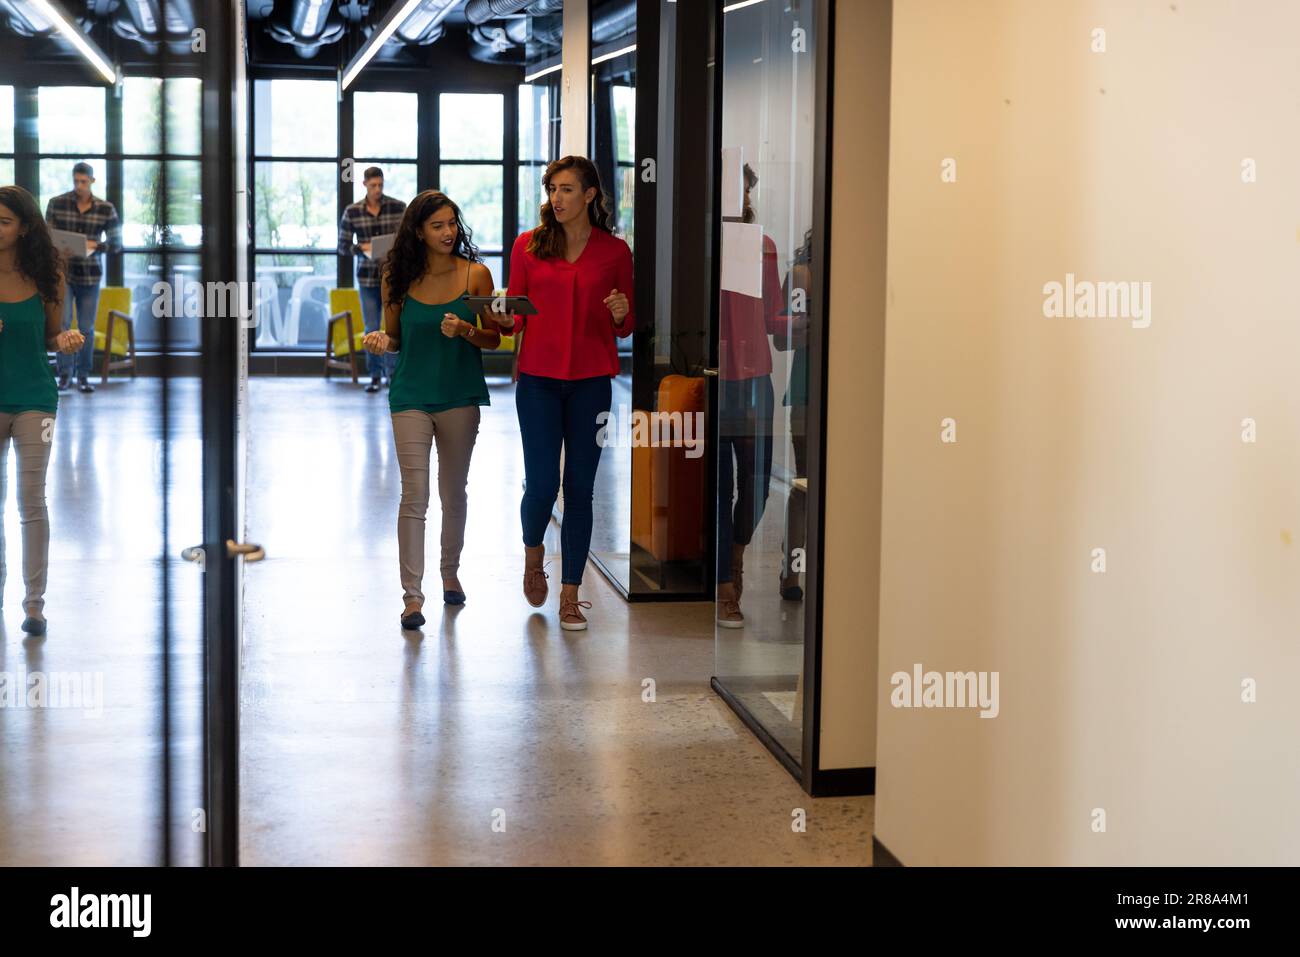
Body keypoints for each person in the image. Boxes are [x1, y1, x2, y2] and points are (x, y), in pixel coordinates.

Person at [494, 155, 633, 632]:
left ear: (590, 194)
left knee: (580, 489)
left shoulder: (615, 252)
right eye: (552, 188)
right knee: (541, 486)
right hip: (538, 381)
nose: (556, 197)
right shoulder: (527, 246)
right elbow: (514, 314)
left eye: (567, 189)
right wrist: (496, 315)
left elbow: (627, 324)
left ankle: (571, 595)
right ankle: (534, 555)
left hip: (592, 382)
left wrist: (619, 312)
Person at [362, 190, 501, 631]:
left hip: (460, 396)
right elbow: (396, 337)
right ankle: (412, 598)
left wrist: (465, 330)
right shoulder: (396, 276)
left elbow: (495, 339)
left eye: (452, 223)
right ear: (418, 231)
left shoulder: (477, 275)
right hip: (410, 396)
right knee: (413, 495)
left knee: (453, 492)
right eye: (437, 225)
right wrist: (382, 341)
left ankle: (450, 572)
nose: (447, 232)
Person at [0, 185, 87, 635]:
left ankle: (34, 605)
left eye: (4, 222)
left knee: (31, 502)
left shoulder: (45, 271)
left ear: (26, 227)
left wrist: (65, 341)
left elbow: (52, 335)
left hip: (35, 397)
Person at [715, 164, 791, 628]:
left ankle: (736, 557)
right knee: (720, 488)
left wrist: (814, 316)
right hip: (714, 379)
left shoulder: (762, 245)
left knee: (758, 484)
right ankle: (726, 584)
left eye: (745, 188)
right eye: (733, 187)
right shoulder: (703, 245)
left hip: (754, 379)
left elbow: (773, 317)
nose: (742, 195)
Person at [43, 162, 120, 394]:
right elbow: (46, 237)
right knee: (62, 325)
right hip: (63, 274)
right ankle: (65, 376)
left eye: (83, 182)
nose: (79, 186)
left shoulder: (106, 208)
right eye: (76, 181)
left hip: (90, 276)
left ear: (92, 181)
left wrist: (96, 245)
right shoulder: (57, 203)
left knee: (86, 327)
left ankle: (84, 376)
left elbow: (116, 243)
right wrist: (59, 247)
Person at [340, 166, 406, 393]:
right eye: (373, 186)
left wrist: (387, 245)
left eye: (380, 185)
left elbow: (408, 238)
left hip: (394, 276)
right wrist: (363, 247)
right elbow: (343, 247)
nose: (377, 190)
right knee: (371, 327)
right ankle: (375, 377)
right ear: (365, 185)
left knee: (393, 327)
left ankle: (393, 377)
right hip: (367, 278)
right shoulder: (353, 211)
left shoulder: (398, 207)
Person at [777, 227, 814, 602]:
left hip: (853, 394)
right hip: (807, 393)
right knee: (805, 484)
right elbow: (780, 336)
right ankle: (792, 572)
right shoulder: (802, 273)